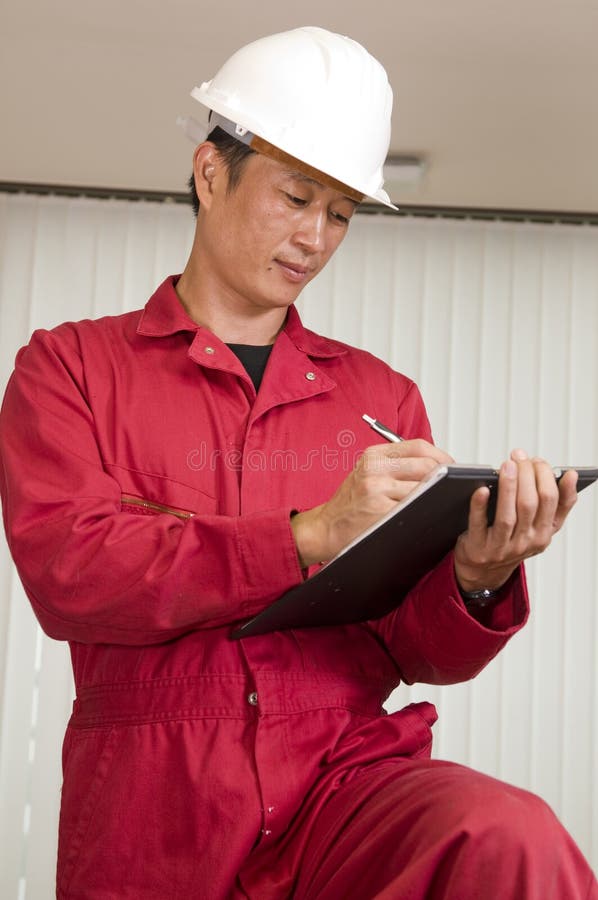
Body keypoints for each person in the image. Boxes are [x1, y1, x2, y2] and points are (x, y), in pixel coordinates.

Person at [0, 25, 596, 900]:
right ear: (212, 174)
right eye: (295, 197)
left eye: (342, 213)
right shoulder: (71, 369)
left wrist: (477, 571)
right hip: (158, 809)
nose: (315, 236)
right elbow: (74, 573)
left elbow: (411, 646)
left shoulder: (379, 399)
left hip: (342, 786)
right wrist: (308, 535)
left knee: (512, 843)